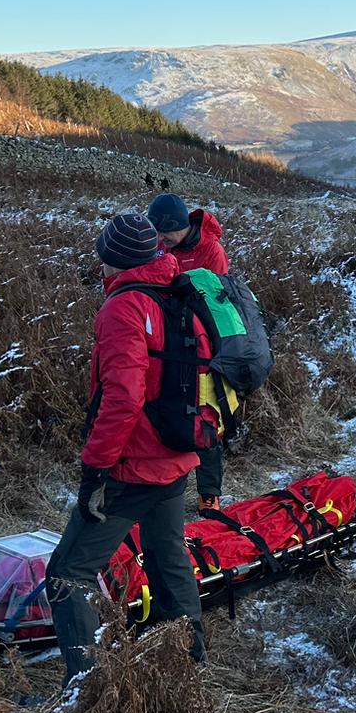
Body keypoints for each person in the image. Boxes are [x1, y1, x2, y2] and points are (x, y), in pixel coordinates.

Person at [44, 212, 206, 687]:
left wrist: (96, 467)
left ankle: (90, 690)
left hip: (133, 463)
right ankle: (188, 665)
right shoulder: (179, 291)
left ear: (109, 259)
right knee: (166, 554)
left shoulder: (123, 308)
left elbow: (123, 397)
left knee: (69, 573)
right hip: (178, 450)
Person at [147, 192, 229, 510]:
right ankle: (166, 488)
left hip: (204, 347)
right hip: (168, 345)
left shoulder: (211, 250)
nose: (161, 239)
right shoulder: (160, 247)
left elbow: (219, 299)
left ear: (181, 226)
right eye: (157, 233)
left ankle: (209, 493)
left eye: (166, 232)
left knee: (205, 416)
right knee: (167, 412)